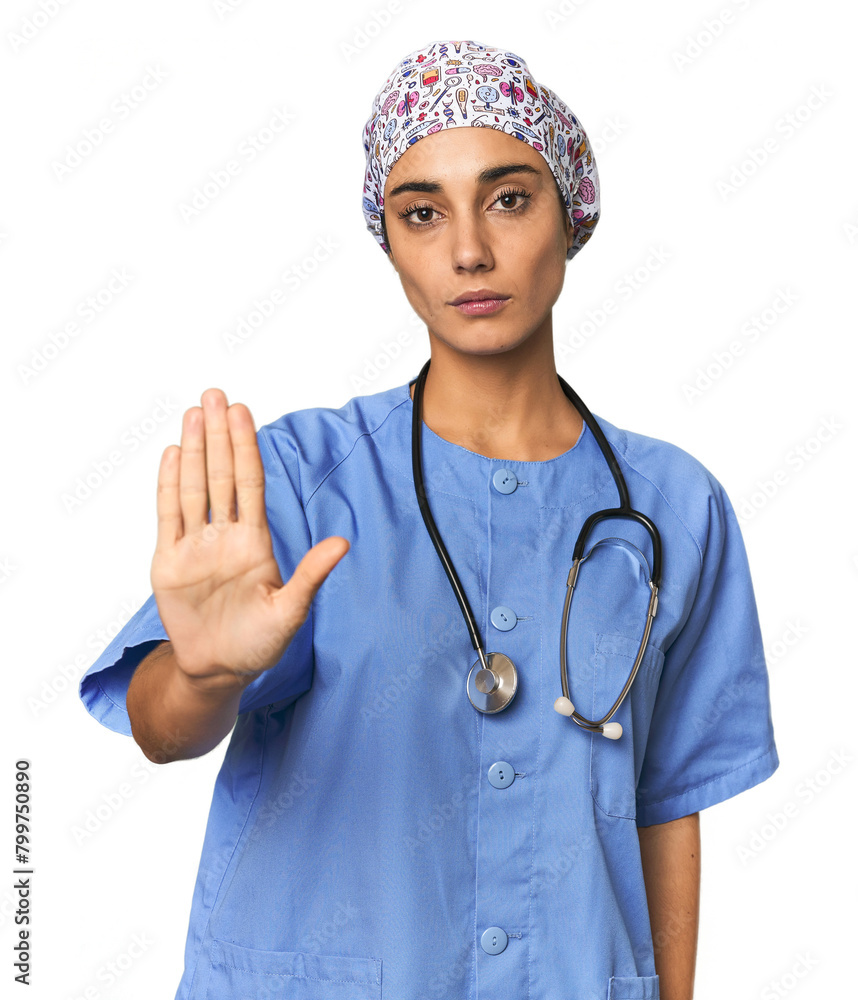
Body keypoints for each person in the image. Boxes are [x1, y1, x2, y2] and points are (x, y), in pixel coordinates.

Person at [78, 39, 779, 1000]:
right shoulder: (300, 477)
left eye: (508, 198)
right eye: (421, 213)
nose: (467, 250)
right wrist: (203, 670)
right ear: (390, 241)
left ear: (569, 210)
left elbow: (668, 804)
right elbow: (165, 727)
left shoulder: (672, 506)